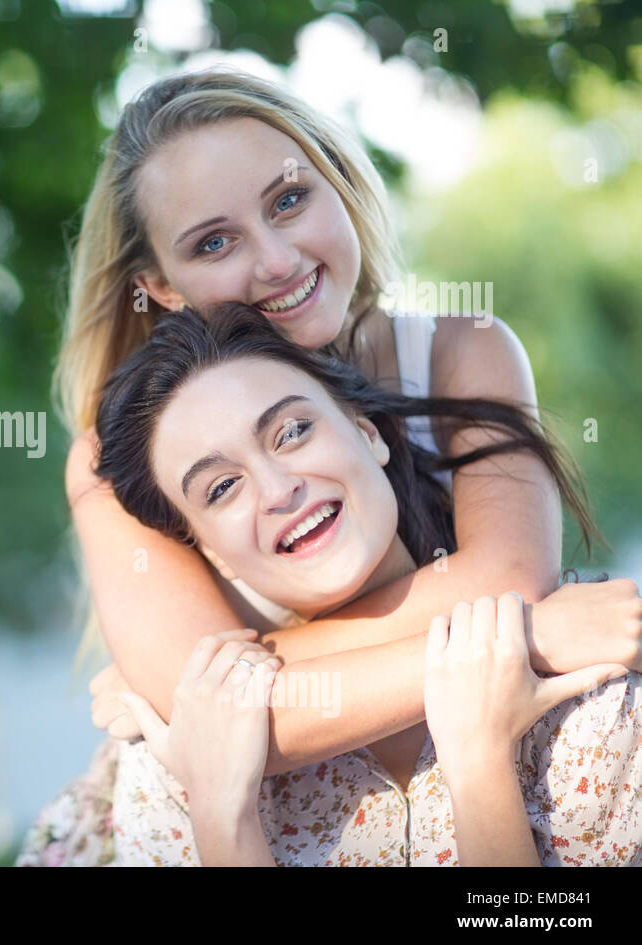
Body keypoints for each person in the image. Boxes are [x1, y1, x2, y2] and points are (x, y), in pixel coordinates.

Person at [16, 67, 642, 865]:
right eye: (215, 242)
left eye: (288, 201)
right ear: (160, 288)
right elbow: (217, 721)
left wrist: (238, 671)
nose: (277, 260)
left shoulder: (458, 352)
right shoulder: (124, 456)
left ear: (338, 184)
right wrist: (532, 639)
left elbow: (508, 576)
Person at [94, 305, 640, 866]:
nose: (280, 489)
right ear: (211, 553)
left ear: (368, 433)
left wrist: (479, 759)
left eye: (293, 431)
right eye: (223, 487)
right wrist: (221, 817)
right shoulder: (178, 767)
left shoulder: (593, 684)